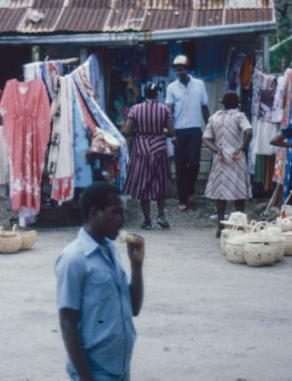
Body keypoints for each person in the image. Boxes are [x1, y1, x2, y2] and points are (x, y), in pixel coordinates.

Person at [55, 181, 145, 381]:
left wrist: (136, 267)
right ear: (94, 212)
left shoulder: (111, 249)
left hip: (120, 367)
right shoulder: (74, 259)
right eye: (117, 213)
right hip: (95, 371)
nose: (123, 220)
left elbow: (134, 309)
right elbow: (67, 323)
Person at [122, 82, 175, 230]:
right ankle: (161, 215)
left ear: (144, 94)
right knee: (161, 181)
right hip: (159, 148)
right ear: (157, 94)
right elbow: (171, 133)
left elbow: (127, 131)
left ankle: (147, 220)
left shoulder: (135, 109)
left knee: (143, 183)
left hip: (141, 149)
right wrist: (160, 132)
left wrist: (140, 133)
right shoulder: (164, 110)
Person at [202, 91, 253, 237]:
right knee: (239, 193)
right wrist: (242, 149)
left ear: (223, 104)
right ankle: (240, 225)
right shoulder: (239, 116)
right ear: (237, 104)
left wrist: (216, 150)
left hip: (221, 159)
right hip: (236, 157)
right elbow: (249, 132)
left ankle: (220, 227)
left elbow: (205, 138)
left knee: (220, 194)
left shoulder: (214, 117)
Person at [165, 54, 209, 211]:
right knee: (180, 165)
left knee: (194, 163)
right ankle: (182, 199)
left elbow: (204, 107)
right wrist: (171, 133)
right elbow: (169, 112)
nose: (179, 73)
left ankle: (190, 188)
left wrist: (209, 126)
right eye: (176, 70)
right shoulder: (171, 88)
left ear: (188, 69)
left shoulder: (199, 85)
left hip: (195, 129)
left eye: (181, 69)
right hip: (178, 131)